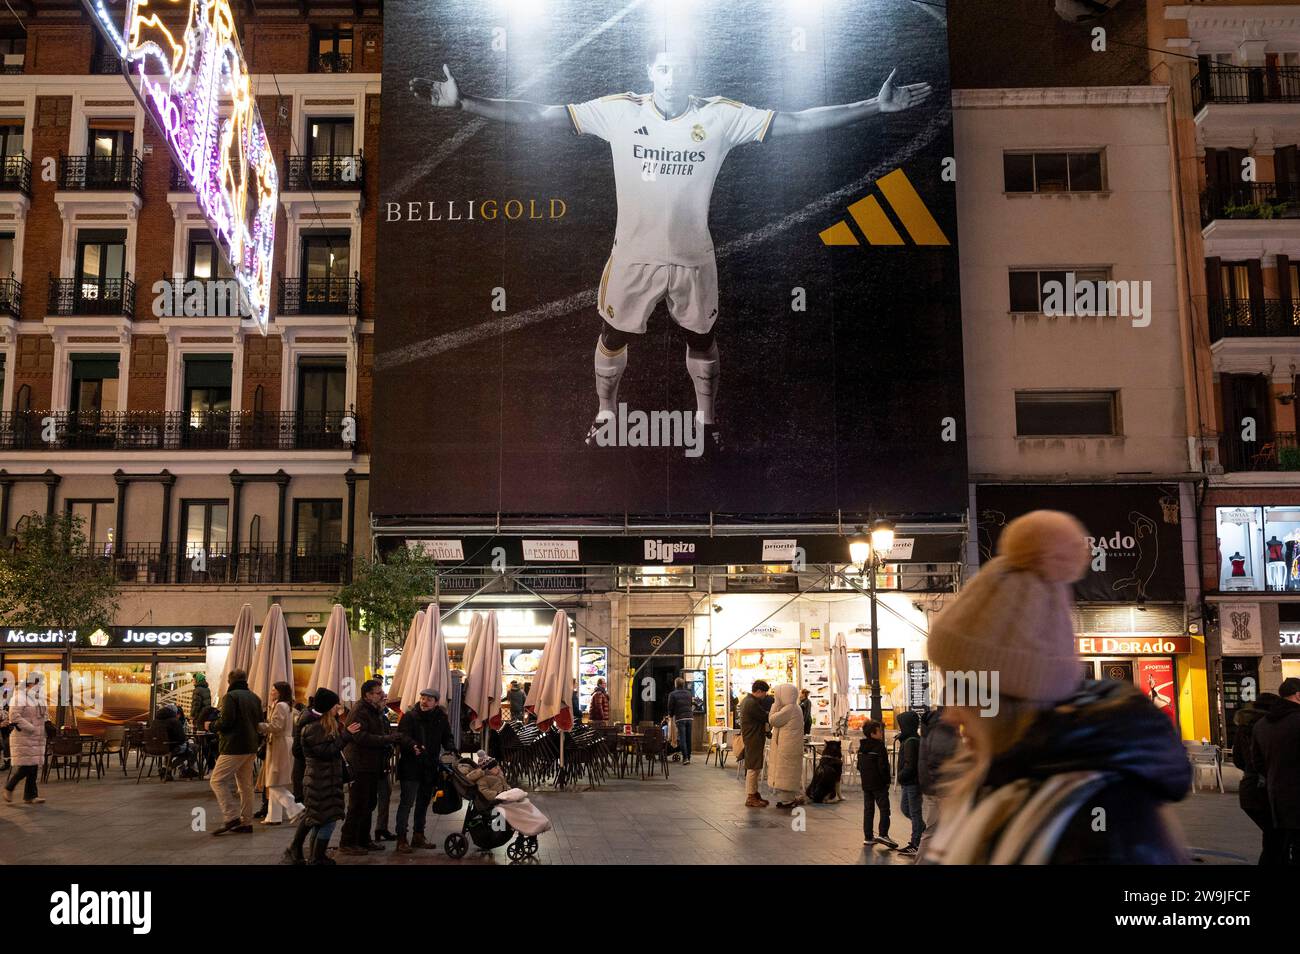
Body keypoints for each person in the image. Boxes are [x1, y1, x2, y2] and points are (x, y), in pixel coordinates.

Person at [411, 39, 930, 452]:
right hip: (633, 257)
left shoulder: (721, 116)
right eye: (664, 68)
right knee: (613, 334)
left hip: (693, 259)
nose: (673, 76)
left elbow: (795, 124)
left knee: (702, 341)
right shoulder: (619, 111)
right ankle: (606, 413)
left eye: (682, 68)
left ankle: (706, 419)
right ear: (651, 71)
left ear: (691, 73)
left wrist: (872, 107)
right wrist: (465, 104)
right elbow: (541, 116)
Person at [925, 510, 1192, 864]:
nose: (951, 711)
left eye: (964, 687)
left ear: (1005, 697)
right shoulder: (994, 783)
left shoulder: (1098, 812)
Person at [284, 689, 360, 865]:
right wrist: (346, 735)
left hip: (325, 778)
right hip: (319, 779)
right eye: (335, 705)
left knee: (318, 817)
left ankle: (311, 854)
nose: (338, 708)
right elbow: (327, 751)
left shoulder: (322, 723)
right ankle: (315, 856)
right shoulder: (315, 727)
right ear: (327, 707)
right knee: (326, 818)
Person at [339, 679, 400, 855]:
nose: (382, 694)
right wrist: (386, 740)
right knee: (358, 804)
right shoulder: (359, 711)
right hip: (360, 764)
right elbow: (360, 737)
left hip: (373, 764)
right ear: (367, 695)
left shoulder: (375, 710)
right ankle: (347, 842)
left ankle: (364, 839)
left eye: (381, 691)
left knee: (369, 803)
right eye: (377, 692)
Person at [394, 687, 453, 853]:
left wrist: (450, 748)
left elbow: (447, 736)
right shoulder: (410, 717)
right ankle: (401, 839)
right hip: (411, 766)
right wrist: (412, 745)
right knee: (407, 803)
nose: (424, 702)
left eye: (428, 699)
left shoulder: (441, 718)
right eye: (422, 698)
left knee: (423, 803)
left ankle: (418, 836)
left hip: (430, 766)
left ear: (435, 702)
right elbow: (402, 736)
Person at [208, 668, 264, 835]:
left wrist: (211, 725)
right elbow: (260, 722)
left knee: (217, 780)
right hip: (250, 746)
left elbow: (226, 722)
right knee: (245, 785)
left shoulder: (230, 697)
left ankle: (231, 816)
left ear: (229, 681)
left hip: (233, 746)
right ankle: (246, 822)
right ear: (245, 680)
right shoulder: (255, 697)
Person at [1253, 677, 1300, 865]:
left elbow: (1257, 762)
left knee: (1277, 846)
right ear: (1298, 695)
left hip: (1277, 795)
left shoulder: (1261, 724)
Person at [1234, 692, 1280, 865]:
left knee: (1272, 837)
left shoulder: (1243, 727)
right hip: (1266, 787)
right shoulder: (1269, 727)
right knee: (1276, 838)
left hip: (1248, 788)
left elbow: (1237, 758)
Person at [917, 705, 960, 858]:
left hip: (931, 787)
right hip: (940, 790)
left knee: (933, 830)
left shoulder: (931, 726)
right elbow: (938, 762)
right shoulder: (943, 727)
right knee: (937, 831)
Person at [259, 681, 303, 825]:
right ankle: (273, 817)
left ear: (280, 692)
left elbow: (276, 727)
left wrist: (259, 726)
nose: (271, 692)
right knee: (275, 781)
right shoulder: (288, 706)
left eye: (274, 690)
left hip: (279, 745)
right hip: (283, 743)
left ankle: (296, 808)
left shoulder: (280, 706)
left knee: (273, 782)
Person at [3, 672, 48, 806]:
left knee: (33, 766)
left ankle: (31, 795)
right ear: (30, 683)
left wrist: (48, 723)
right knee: (26, 767)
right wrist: (31, 728)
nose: (40, 686)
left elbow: (44, 714)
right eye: (38, 683)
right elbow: (14, 716)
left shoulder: (39, 698)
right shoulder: (19, 697)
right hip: (24, 737)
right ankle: (9, 787)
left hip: (37, 737)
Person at [766, 683, 804, 810]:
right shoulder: (795, 707)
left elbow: (772, 720)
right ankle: (787, 799)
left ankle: (788, 800)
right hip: (789, 747)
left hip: (786, 748)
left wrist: (775, 704)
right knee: (788, 773)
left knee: (786, 772)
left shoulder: (789, 709)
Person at [858, 720, 894, 848]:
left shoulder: (862, 747)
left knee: (868, 810)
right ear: (873, 733)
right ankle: (883, 834)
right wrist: (887, 781)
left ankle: (868, 837)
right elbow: (883, 767)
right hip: (879, 784)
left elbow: (859, 766)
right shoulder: (879, 747)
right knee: (884, 809)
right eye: (879, 731)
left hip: (866, 784)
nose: (882, 733)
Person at [894, 710, 923, 856]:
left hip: (912, 782)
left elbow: (910, 765)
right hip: (908, 782)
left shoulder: (911, 741)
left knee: (914, 812)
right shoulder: (908, 739)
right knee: (906, 809)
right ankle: (921, 830)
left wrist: (901, 775)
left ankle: (916, 843)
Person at [738, 680, 770, 808]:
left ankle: (754, 794)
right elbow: (764, 716)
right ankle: (751, 797)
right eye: (764, 693)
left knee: (755, 767)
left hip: (752, 737)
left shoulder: (748, 701)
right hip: (753, 738)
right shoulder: (751, 703)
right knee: (753, 767)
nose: (765, 696)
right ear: (758, 691)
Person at [373, 688, 398, 842]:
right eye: (382, 698)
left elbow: (395, 721)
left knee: (385, 794)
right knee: (369, 801)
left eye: (385, 698)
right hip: (370, 763)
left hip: (383, 761)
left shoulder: (386, 713)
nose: (384, 701)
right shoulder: (370, 714)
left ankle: (381, 828)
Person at [149, 705, 197, 781]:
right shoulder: (174, 721)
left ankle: (166, 769)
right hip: (172, 748)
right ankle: (170, 769)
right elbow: (181, 738)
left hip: (156, 748)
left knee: (169, 749)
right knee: (193, 748)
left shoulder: (155, 721)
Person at [666, 677, 694, 764]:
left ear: (675, 684)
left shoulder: (672, 694)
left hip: (680, 718)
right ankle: (688, 756)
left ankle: (685, 758)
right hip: (689, 717)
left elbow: (670, 706)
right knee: (688, 738)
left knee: (682, 738)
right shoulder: (689, 693)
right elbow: (690, 704)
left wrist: (670, 715)